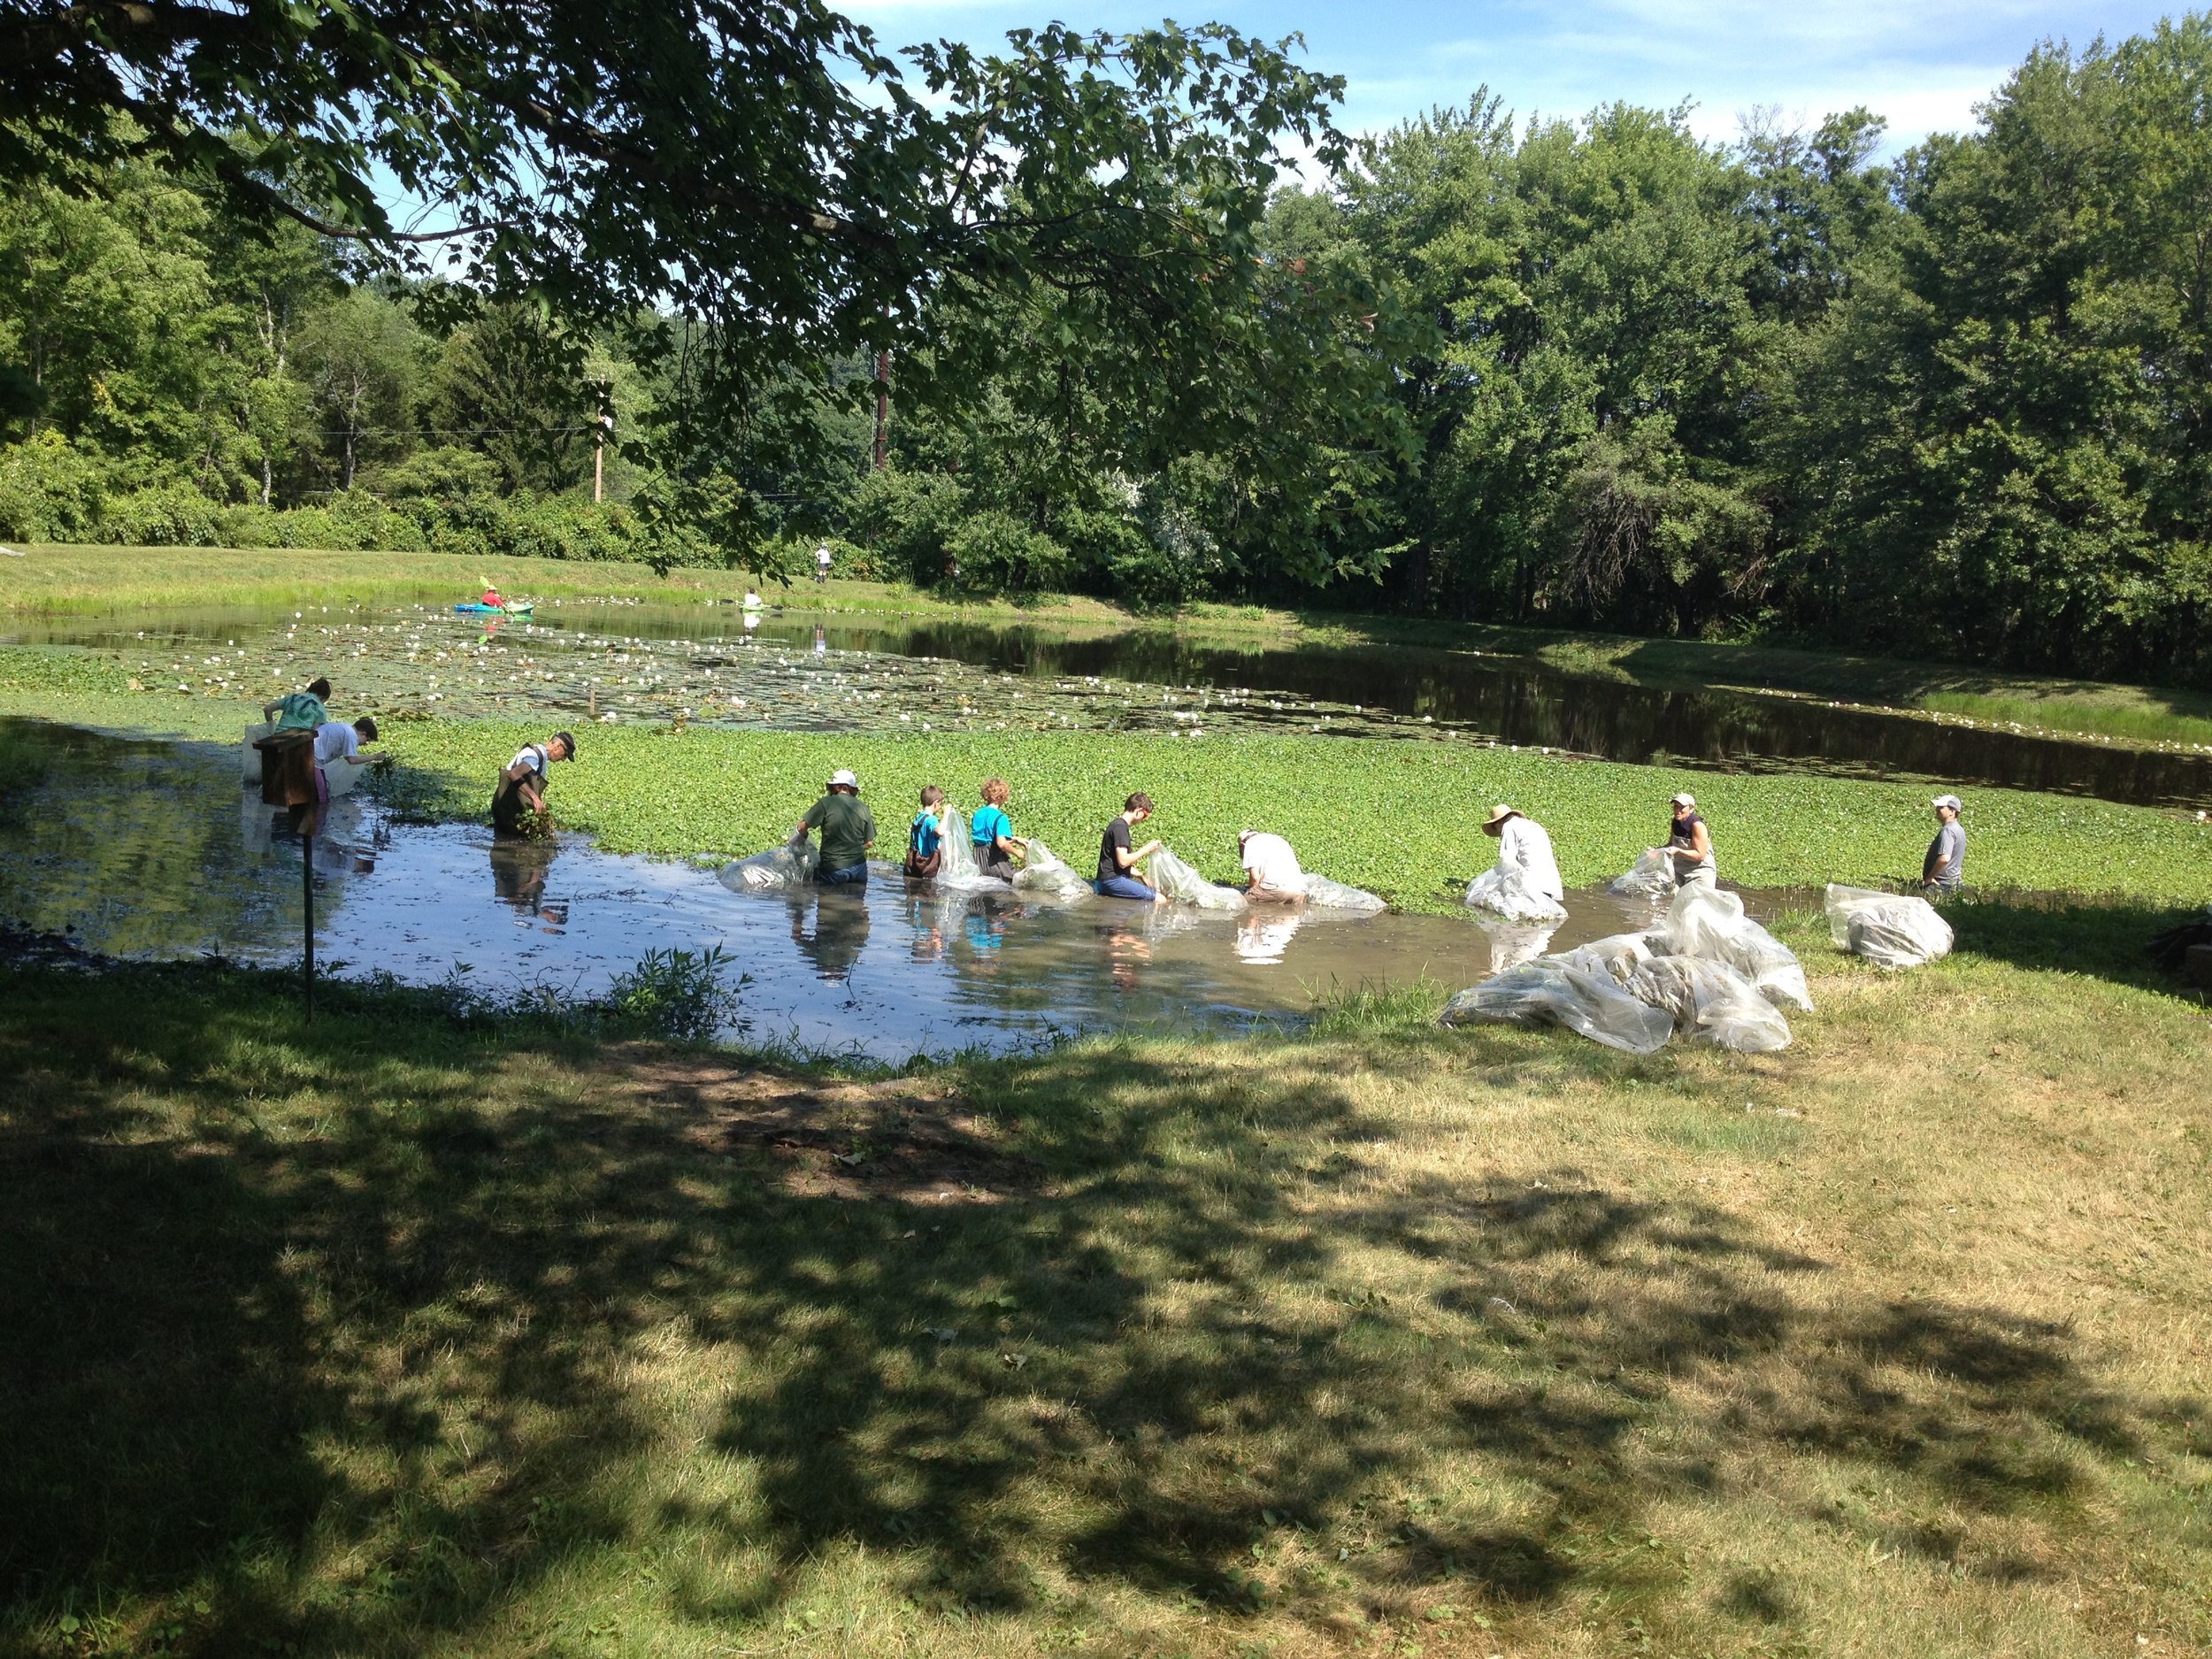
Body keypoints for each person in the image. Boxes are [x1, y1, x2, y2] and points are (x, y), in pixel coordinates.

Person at [796, 768, 875, 886]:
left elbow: (801, 828)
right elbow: (869, 843)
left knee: (828, 902)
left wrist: (801, 842)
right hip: (859, 869)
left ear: (837, 787)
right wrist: (854, 849)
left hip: (834, 868)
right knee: (857, 903)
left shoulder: (826, 803)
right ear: (851, 789)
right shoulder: (863, 808)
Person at [491, 731, 576, 833]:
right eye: (565, 754)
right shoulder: (534, 756)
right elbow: (514, 774)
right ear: (557, 747)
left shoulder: (540, 757)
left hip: (507, 811)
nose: (563, 759)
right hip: (507, 811)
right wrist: (535, 798)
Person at [1481, 804, 1563, 900]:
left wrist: (1491, 886)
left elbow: (1507, 861)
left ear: (1498, 824)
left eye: (1495, 829)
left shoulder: (1509, 827)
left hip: (1534, 886)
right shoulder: (1534, 825)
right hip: (1551, 886)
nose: (1498, 833)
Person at [1096, 793, 1165, 902]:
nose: (1144, 819)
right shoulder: (1120, 828)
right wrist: (1147, 848)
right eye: (1145, 815)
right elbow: (1123, 861)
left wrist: (1141, 876)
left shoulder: (1117, 825)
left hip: (1107, 879)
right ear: (1139, 810)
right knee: (1161, 899)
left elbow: (1115, 863)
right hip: (1112, 881)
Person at [1655, 791, 1717, 890]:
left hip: (1700, 873)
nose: (1678, 810)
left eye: (1682, 807)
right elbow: (1671, 844)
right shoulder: (1675, 822)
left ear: (1691, 809)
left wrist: (1678, 851)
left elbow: (1700, 855)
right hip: (1680, 870)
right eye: (1675, 807)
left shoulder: (1697, 826)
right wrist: (1656, 851)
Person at [972, 778, 1028, 881]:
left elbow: (987, 838)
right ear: (1002, 797)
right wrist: (1017, 852)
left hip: (979, 862)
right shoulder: (1001, 818)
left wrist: (1014, 839)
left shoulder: (978, 814)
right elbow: (1001, 844)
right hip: (995, 863)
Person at [311, 715, 379, 801]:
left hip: (310, 754)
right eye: (367, 741)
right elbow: (352, 760)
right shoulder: (351, 735)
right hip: (313, 758)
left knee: (319, 791)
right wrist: (375, 757)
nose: (365, 744)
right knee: (321, 798)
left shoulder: (346, 728)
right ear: (363, 734)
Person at [1238, 828, 1307, 902]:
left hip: (1278, 890)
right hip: (1301, 891)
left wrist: (1251, 891)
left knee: (1244, 903)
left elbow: (1255, 878)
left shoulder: (1250, 843)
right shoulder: (1280, 840)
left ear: (1242, 845)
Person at [1924, 794, 1967, 894]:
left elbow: (1944, 858)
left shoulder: (1948, 830)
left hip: (1943, 885)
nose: (1937, 809)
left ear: (1952, 811)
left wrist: (1930, 878)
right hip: (1955, 884)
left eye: (1941, 807)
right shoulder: (1959, 829)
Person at [905, 784, 948, 879]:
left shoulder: (919, 817)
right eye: (940, 803)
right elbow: (940, 832)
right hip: (927, 865)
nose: (940, 806)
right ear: (936, 803)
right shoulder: (931, 819)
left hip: (914, 864)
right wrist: (946, 814)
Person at [263, 676, 331, 732]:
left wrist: (271, 728)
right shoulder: (320, 708)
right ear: (324, 697)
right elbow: (314, 732)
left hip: (278, 736)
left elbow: (267, 709)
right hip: (298, 741)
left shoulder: (292, 697)